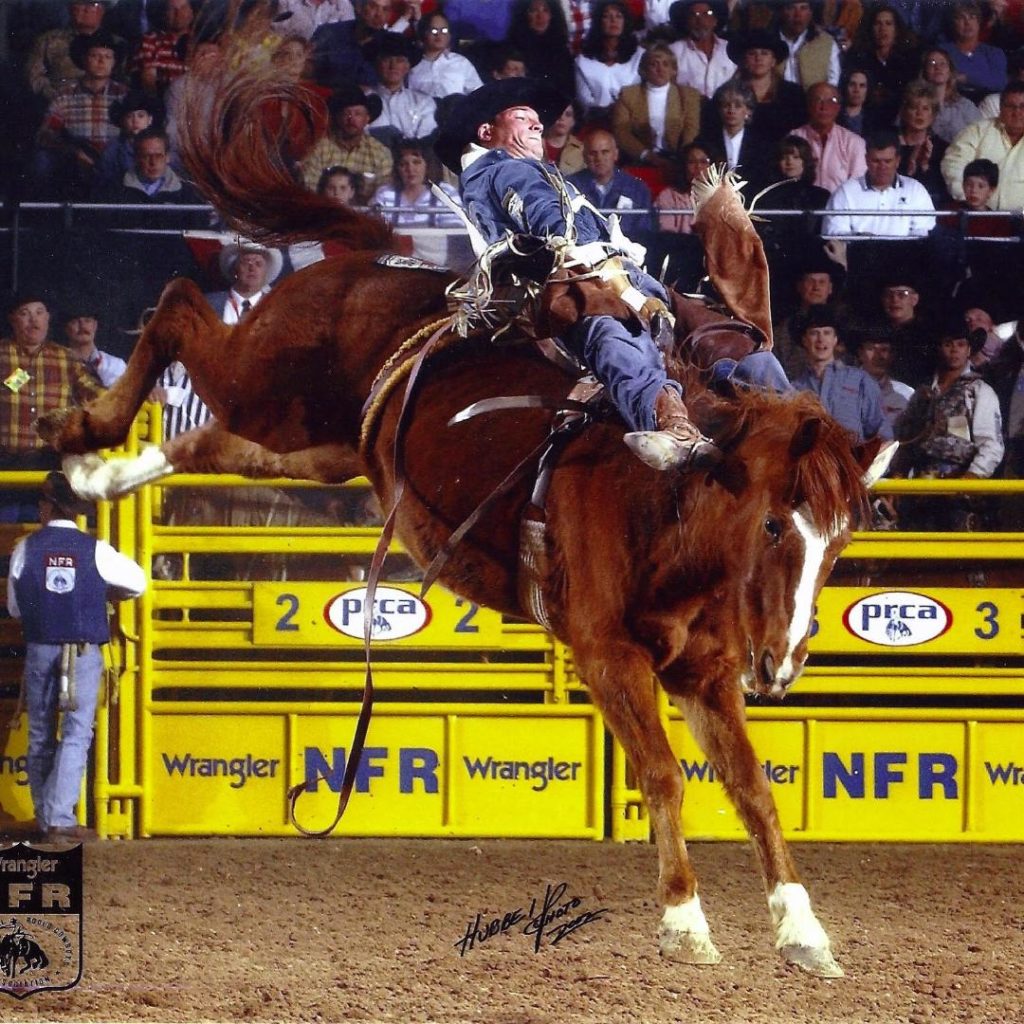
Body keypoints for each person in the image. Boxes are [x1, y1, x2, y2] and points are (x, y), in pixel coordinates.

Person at [436, 77, 721, 472]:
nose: (538, 125)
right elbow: (545, 219)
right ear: (487, 133)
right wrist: (567, 240)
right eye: (523, 117)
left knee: (711, 334)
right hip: (576, 281)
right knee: (617, 333)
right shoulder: (502, 170)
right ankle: (673, 428)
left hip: (613, 274)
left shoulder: (530, 172)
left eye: (537, 119)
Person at [7, 471, 146, 841]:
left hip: (40, 648)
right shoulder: (95, 549)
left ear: (48, 507)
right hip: (83, 651)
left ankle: (45, 818)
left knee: (40, 734)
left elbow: (16, 608)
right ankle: (59, 817)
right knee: (76, 733)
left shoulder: (25, 548)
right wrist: (104, 594)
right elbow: (138, 582)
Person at [0, 295, 105, 522]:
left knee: (54, 528)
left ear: (48, 318)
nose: (33, 321)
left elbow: (98, 395)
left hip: (49, 463)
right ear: (13, 320)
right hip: (5, 461)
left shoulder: (67, 358)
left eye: (39, 313)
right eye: (25, 314)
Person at [894, 328, 1005, 529]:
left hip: (960, 485)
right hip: (919, 486)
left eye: (960, 344)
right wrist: (898, 475)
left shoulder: (978, 390)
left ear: (969, 349)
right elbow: (906, 439)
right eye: (948, 344)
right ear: (940, 348)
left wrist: (973, 476)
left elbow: (991, 444)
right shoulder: (923, 393)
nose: (954, 350)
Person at [29, 28, 128, 198]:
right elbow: (45, 135)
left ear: (114, 63)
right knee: (42, 161)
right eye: (94, 56)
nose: (101, 61)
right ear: (84, 60)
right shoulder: (65, 95)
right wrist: (73, 151)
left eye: (107, 57)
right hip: (75, 157)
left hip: (114, 159)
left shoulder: (125, 96)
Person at [790, 304, 892, 443]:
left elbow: (882, 432)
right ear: (804, 340)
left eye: (827, 333)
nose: (821, 339)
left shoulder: (860, 380)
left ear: (835, 339)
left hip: (854, 462)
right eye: (814, 333)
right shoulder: (794, 389)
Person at [822, 128, 937, 238]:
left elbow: (925, 229)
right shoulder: (846, 191)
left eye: (888, 161)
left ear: (897, 161)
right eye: (876, 161)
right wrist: (860, 239)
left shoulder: (915, 189)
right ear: (866, 159)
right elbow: (834, 231)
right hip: (858, 254)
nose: (882, 167)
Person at [370, 138, 462, 264]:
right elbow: (378, 233)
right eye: (403, 164)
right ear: (397, 168)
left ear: (427, 165)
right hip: (392, 263)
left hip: (436, 264)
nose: (410, 169)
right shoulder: (385, 194)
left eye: (416, 162)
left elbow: (455, 236)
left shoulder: (445, 193)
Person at [611, 43, 701, 170]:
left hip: (678, 161)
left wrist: (682, 159)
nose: (660, 69)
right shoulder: (628, 94)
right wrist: (648, 156)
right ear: (644, 70)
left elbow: (691, 130)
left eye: (665, 64)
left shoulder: (689, 95)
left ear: (673, 70)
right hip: (640, 161)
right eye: (654, 64)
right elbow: (621, 132)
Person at [300, 84, 392, 200]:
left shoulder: (380, 153)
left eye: (357, 114)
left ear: (367, 118)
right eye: (346, 113)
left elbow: (384, 194)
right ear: (337, 117)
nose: (351, 119)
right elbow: (309, 187)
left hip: (365, 216)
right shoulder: (320, 149)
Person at [941, 82, 1024, 210]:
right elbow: (953, 166)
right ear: (1001, 108)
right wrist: (972, 202)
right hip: (978, 218)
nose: (1017, 112)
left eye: (1023, 106)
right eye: (1011, 106)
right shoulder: (977, 131)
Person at [568, 129, 657, 241]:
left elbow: (645, 232)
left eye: (605, 152)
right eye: (593, 153)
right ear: (584, 156)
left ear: (616, 154)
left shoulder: (638, 189)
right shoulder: (569, 186)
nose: (599, 158)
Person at [845, 2, 920, 126]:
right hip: (864, 118)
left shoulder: (909, 59)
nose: (883, 29)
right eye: (878, 24)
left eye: (888, 24)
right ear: (870, 28)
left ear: (896, 29)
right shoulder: (858, 57)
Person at [723, 28, 805, 142]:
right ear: (744, 60)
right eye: (752, 53)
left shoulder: (793, 94)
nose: (758, 58)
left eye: (764, 53)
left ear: (773, 61)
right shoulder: (727, 93)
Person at [26, 0, 114, 103]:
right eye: (79, 3)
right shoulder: (48, 41)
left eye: (91, 4)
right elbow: (34, 77)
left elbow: (124, 79)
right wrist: (57, 97)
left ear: (102, 10)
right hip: (58, 105)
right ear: (70, 8)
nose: (85, 9)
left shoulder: (116, 44)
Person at [790, 80, 868, 192]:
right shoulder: (795, 137)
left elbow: (857, 187)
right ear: (808, 105)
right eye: (818, 100)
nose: (824, 107)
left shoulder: (854, 142)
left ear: (838, 107)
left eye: (831, 101)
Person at [574, 0, 643, 120]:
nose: (613, 20)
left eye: (619, 16)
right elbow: (586, 103)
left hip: (634, 120)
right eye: (607, 16)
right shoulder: (582, 61)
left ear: (625, 22)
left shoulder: (640, 55)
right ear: (598, 22)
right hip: (598, 122)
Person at [365, 32, 437, 147]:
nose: (393, 66)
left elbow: (426, 139)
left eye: (399, 60)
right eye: (387, 59)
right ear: (376, 63)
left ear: (408, 66)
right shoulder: (364, 100)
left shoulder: (423, 102)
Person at [91, 87, 164, 192]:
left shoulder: (162, 145)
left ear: (150, 119)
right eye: (130, 116)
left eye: (141, 116)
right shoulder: (112, 150)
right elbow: (104, 183)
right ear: (122, 121)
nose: (135, 121)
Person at [505, 0, 575, 100]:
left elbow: (569, 91)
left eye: (545, 10)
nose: (540, 16)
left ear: (552, 15)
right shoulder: (513, 51)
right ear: (524, 14)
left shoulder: (561, 49)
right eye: (533, 10)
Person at [940, 1, 1007, 104]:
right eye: (961, 18)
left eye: (972, 17)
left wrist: (965, 78)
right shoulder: (942, 52)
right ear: (953, 23)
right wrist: (982, 79)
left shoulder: (994, 53)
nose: (967, 23)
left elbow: (999, 83)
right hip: (952, 104)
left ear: (979, 22)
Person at [666, 0, 735, 100]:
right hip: (688, 112)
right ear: (686, 22)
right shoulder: (673, 51)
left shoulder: (730, 49)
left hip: (726, 111)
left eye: (707, 14)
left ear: (715, 20)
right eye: (694, 15)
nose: (700, 20)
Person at [406, 10, 484, 99]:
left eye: (444, 30)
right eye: (434, 31)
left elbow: (479, 94)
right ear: (423, 34)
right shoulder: (411, 63)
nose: (439, 35)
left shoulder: (461, 62)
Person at [853, 323, 914, 432]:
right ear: (860, 353)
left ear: (892, 355)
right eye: (871, 348)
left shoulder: (907, 394)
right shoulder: (842, 389)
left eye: (884, 349)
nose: (879, 356)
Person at [896, 79, 950, 205]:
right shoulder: (890, 145)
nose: (919, 114)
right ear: (904, 112)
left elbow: (939, 193)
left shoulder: (942, 148)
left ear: (933, 114)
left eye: (925, 109)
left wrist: (924, 167)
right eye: (914, 107)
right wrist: (910, 167)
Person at [920, 46, 983, 145]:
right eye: (932, 63)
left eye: (943, 64)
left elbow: (981, 135)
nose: (938, 67)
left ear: (950, 71)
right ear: (924, 71)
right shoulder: (914, 103)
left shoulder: (965, 105)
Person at [131, 0, 195, 98]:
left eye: (183, 8)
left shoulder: (199, 43)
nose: (178, 14)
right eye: (172, 9)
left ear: (191, 13)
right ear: (165, 13)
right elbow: (149, 82)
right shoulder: (151, 40)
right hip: (162, 102)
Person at [773, 0, 840, 90]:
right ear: (782, 12)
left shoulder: (826, 43)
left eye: (803, 8)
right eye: (791, 8)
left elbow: (832, 83)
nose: (798, 15)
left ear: (811, 13)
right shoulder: (768, 41)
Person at [654, 140, 712, 232]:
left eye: (704, 161)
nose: (698, 167)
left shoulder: (725, 196)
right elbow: (667, 236)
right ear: (683, 166)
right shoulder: (668, 197)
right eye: (692, 162)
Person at [63, 306, 127, 387]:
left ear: (95, 325)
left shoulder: (116, 365)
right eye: (75, 322)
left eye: (87, 321)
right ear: (66, 328)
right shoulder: (59, 365)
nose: (83, 326)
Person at [542, 101, 586, 174]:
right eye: (558, 113)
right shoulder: (534, 143)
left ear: (574, 121)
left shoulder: (581, 151)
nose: (562, 118)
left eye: (568, 115)